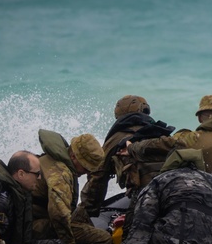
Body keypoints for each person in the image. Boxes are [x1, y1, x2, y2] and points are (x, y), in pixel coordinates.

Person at [71, 95, 175, 225]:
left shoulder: (116, 139)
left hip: (145, 196)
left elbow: (98, 177)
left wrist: (86, 212)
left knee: (131, 233)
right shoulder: (161, 133)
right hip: (175, 191)